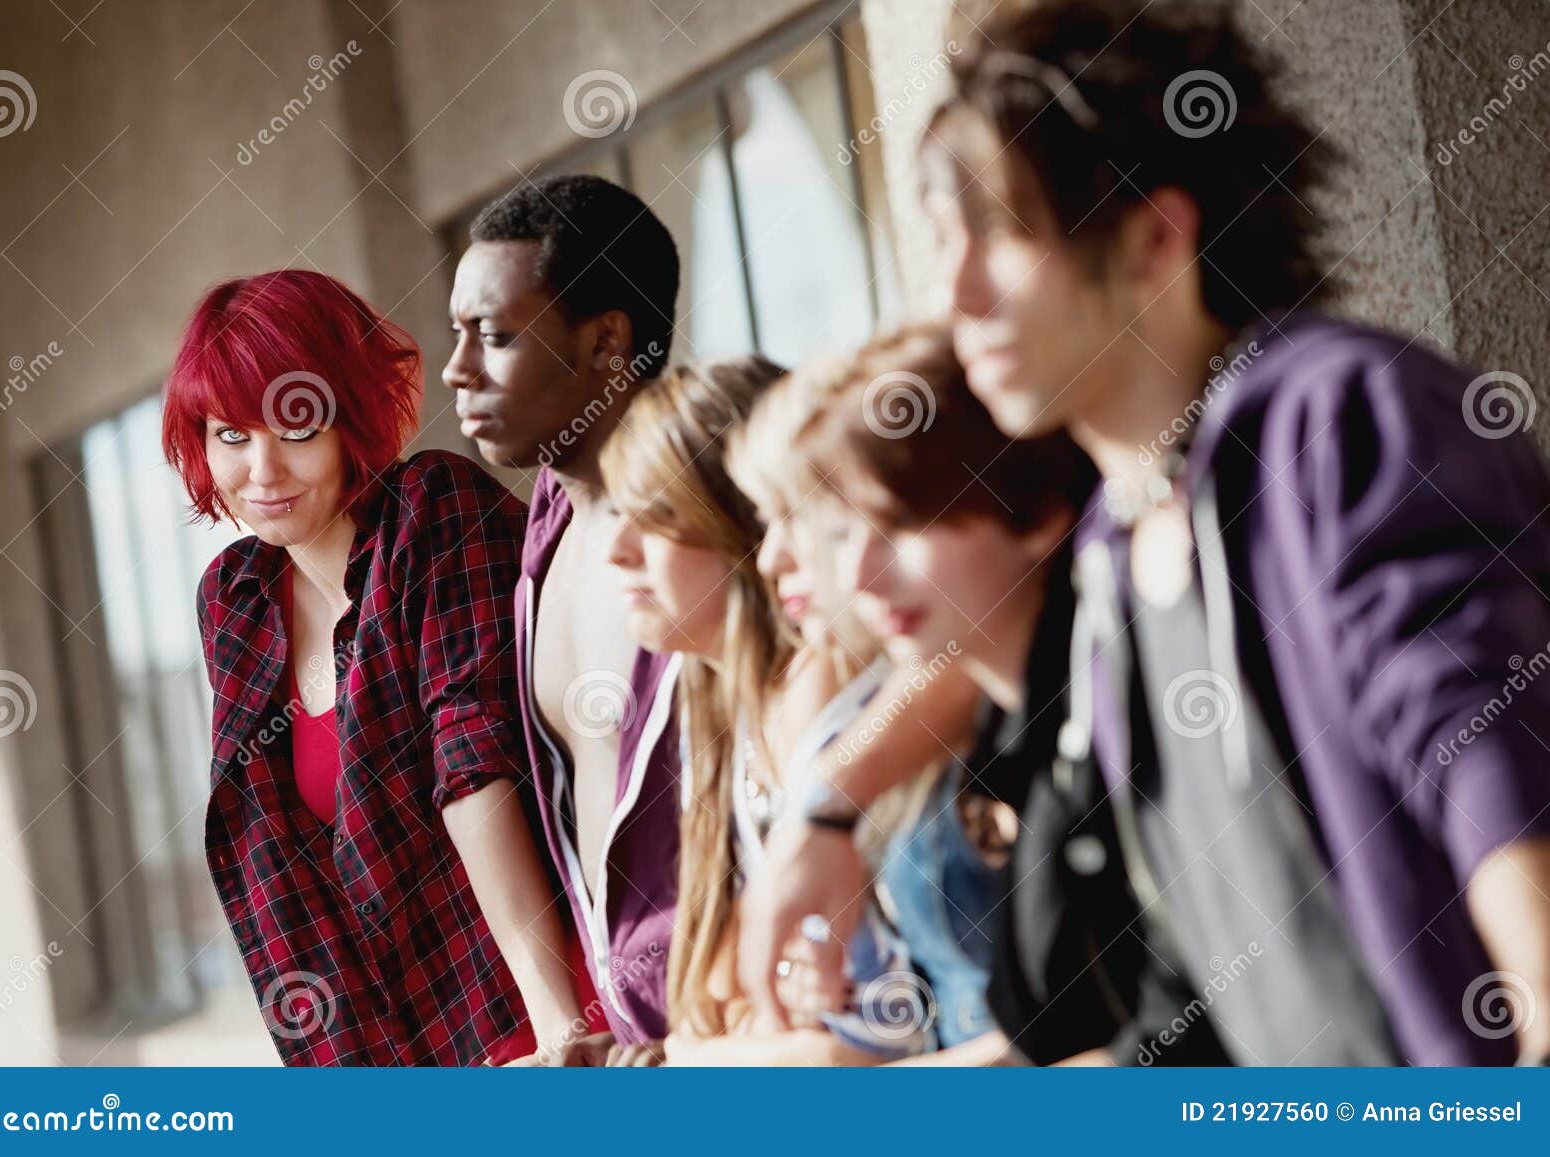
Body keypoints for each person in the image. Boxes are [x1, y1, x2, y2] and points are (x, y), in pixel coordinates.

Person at [924, 0, 1550, 1064]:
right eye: (944, 240)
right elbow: (1202, 990)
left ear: (1153, 238)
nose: (955, 292)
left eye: (1003, 234)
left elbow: (1492, 752)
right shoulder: (1109, 554)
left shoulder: (1336, 416)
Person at [164, 269, 584, 1064]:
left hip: (526, 1010)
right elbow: (280, 873)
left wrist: (558, 1025)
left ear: (350, 414)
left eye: (295, 428)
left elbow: (475, 766)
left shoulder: (431, 511)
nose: (263, 470)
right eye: (232, 435)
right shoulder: (235, 598)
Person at [792, 322, 1227, 1066]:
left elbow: (1185, 1053)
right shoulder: (1014, 734)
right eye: (844, 533)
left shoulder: (1134, 714)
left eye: (902, 523)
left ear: (1035, 513)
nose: (860, 574)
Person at [602, 356, 936, 1064]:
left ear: (736, 523)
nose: (617, 550)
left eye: (653, 517)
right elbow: (731, 990)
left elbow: (848, 1048)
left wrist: (684, 1060)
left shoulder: (827, 682)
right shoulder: (727, 707)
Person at [443, 175, 682, 1064]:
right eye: (458, 333)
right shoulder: (541, 537)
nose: (457, 369)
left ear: (606, 340)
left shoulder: (713, 529)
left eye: (495, 336)